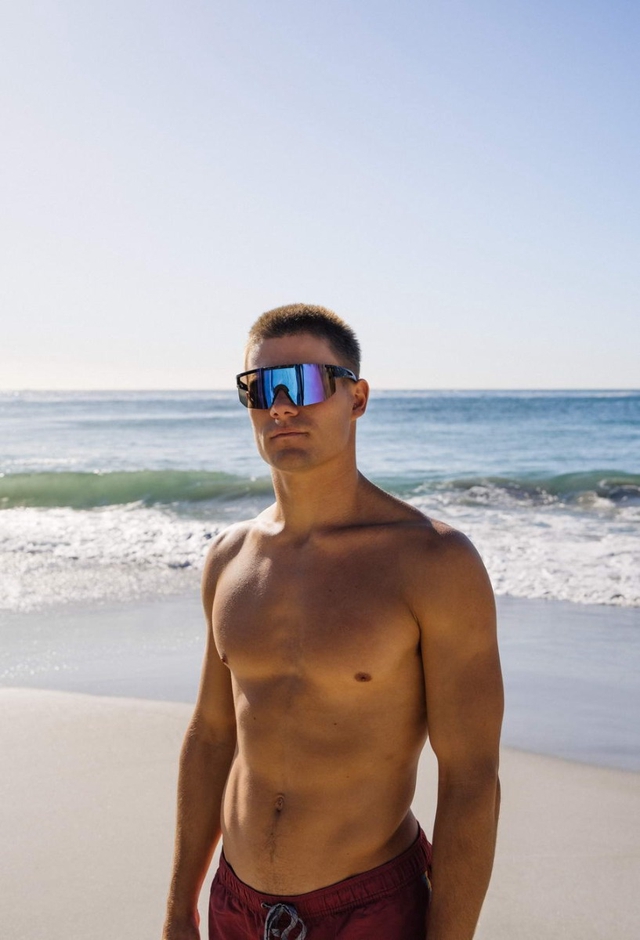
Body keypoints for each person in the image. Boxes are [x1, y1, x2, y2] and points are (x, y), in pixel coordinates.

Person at [162, 304, 503, 940]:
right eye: (261, 387)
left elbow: (471, 779)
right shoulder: (230, 558)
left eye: (307, 382)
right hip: (233, 906)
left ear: (357, 398)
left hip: (369, 911)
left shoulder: (432, 561)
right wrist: (180, 907)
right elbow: (211, 735)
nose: (282, 405)